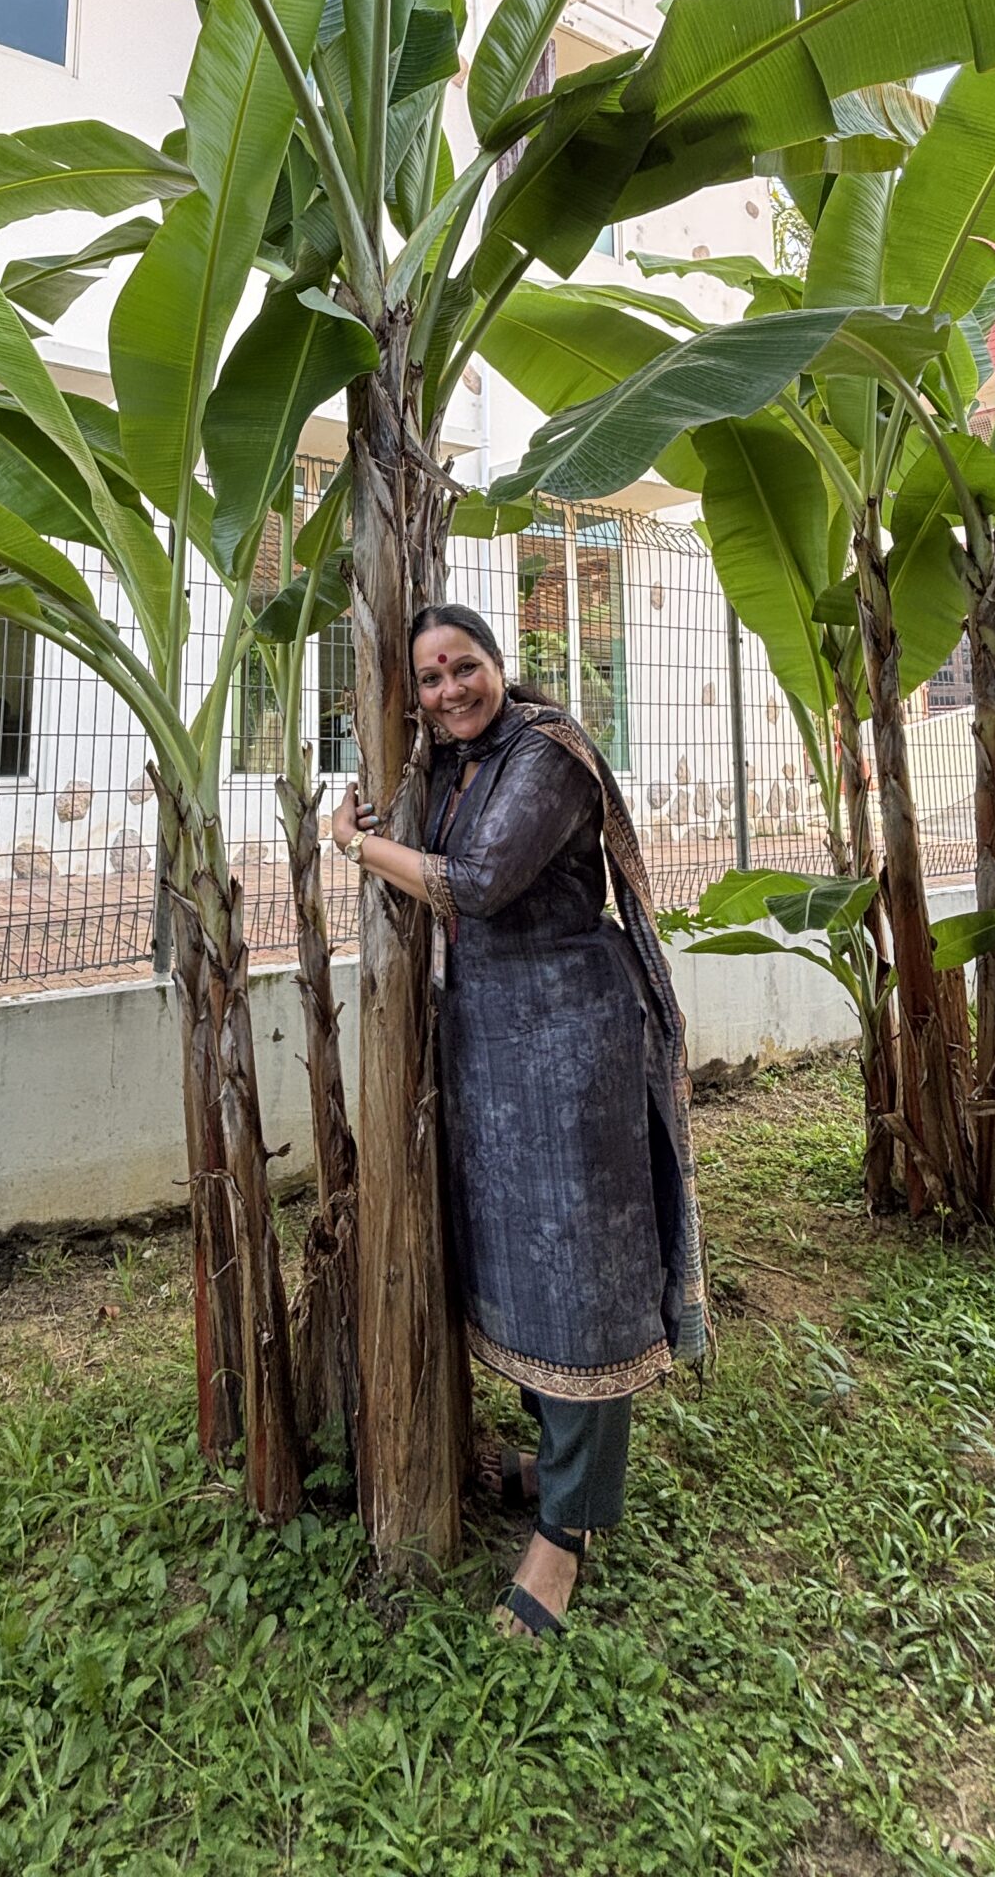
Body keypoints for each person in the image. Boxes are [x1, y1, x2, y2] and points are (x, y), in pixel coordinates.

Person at [331, 602, 707, 1639]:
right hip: (493, 1049)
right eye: (430, 678)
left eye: (465, 666)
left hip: (574, 1043)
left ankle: (566, 1534)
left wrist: (361, 848)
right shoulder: (457, 763)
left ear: (500, 663)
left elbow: (484, 883)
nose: (450, 688)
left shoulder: (548, 751)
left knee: (582, 1285)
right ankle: (560, 1466)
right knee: (522, 1274)